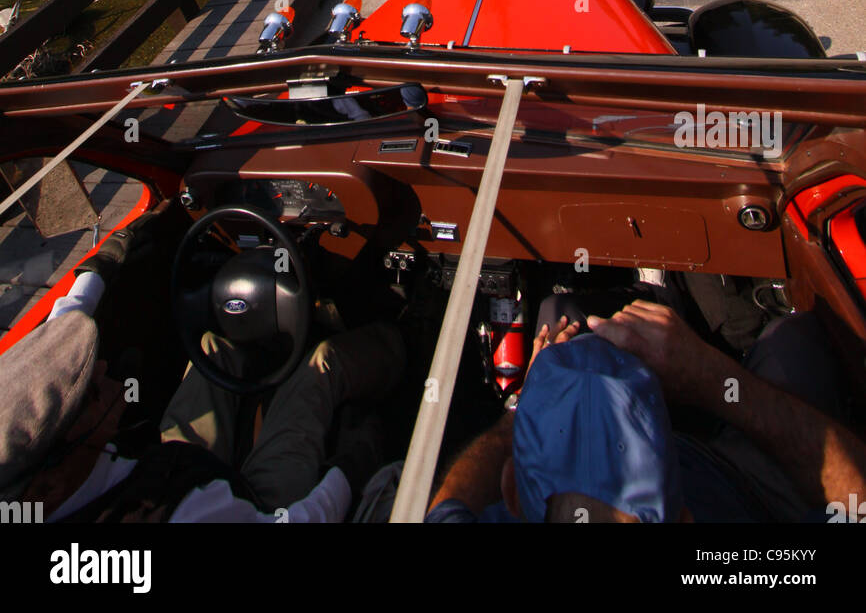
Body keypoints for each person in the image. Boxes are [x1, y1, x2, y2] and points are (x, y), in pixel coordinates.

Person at [0, 211, 404, 523]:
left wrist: (97, 270)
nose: (102, 369)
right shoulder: (173, 517)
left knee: (212, 349)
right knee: (322, 364)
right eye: (88, 392)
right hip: (252, 505)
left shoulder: (35, 476)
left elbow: (50, 352)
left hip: (164, 467)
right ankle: (406, 341)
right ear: (49, 485)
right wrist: (348, 473)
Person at [426, 300, 866, 523]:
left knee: (558, 311)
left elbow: (450, 502)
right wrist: (715, 379)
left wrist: (519, 411)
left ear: (513, 493)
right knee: (792, 342)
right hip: (741, 485)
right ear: (684, 519)